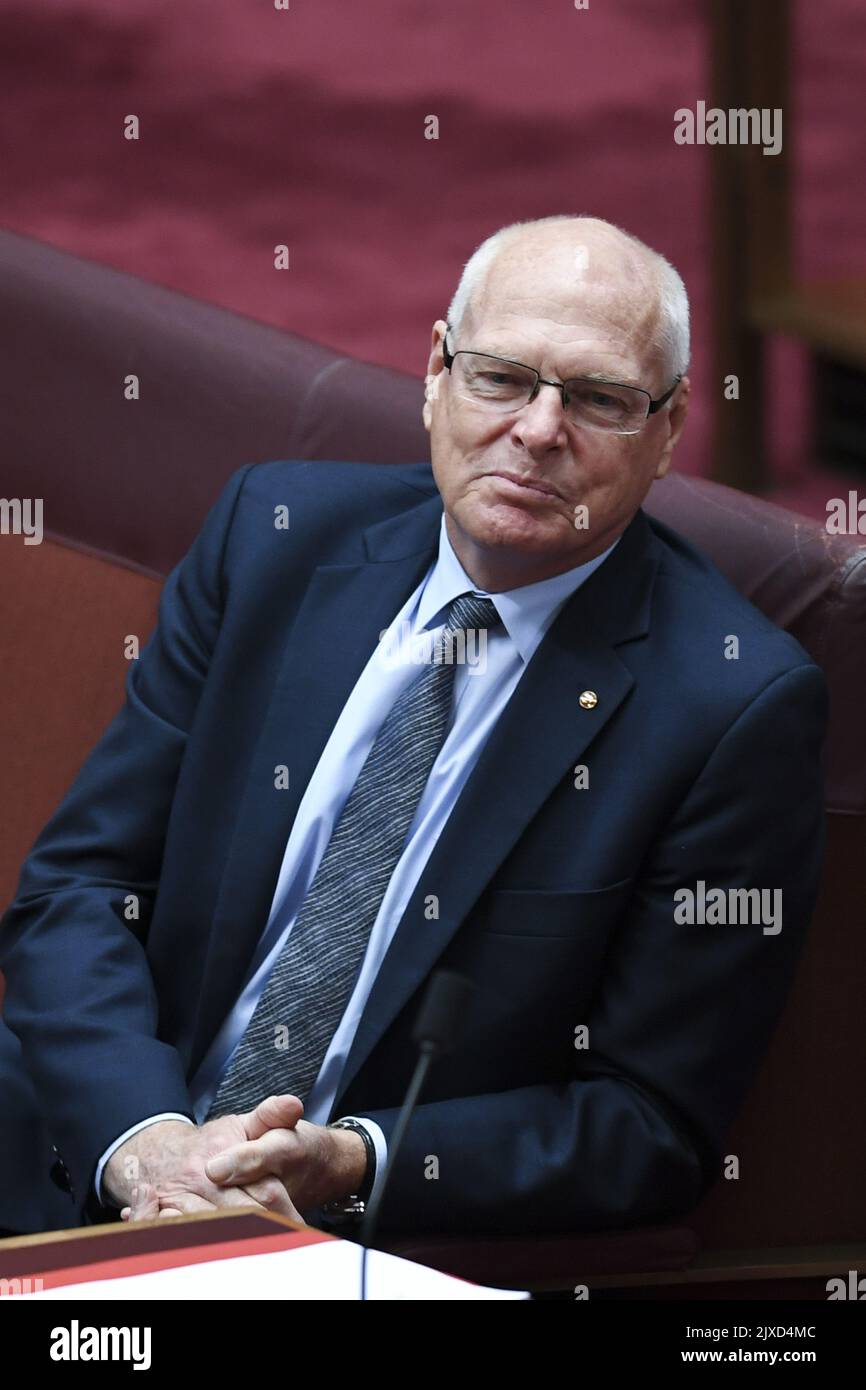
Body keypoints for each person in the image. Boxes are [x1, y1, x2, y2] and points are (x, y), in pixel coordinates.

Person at [0, 215, 827, 1240]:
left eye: (598, 398)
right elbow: (83, 887)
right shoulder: (274, 541)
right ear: (434, 371)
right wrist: (145, 1138)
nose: (535, 428)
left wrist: (354, 1160)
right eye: (499, 377)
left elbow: (645, 1119)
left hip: (351, 1240)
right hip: (80, 1145)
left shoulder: (727, 706)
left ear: (665, 428)